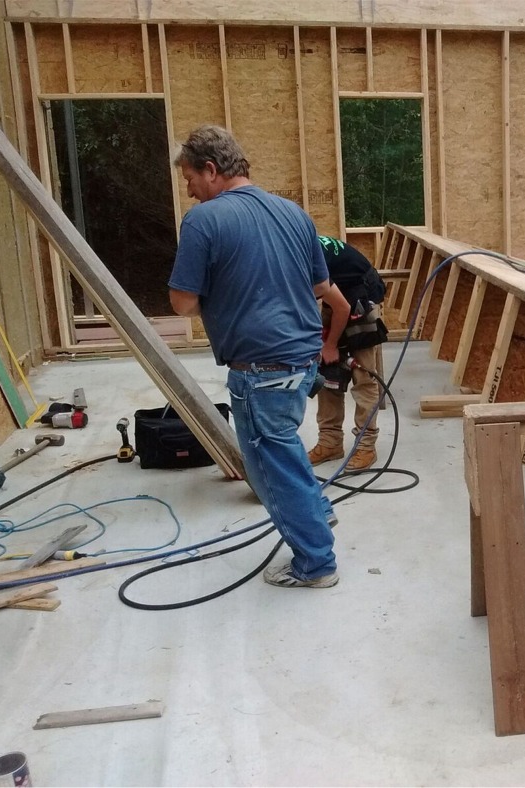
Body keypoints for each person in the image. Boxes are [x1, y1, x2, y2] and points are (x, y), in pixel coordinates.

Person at [168, 124, 351, 590]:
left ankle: (316, 565)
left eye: (189, 178)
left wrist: (222, 285)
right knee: (287, 451)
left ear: (211, 170)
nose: (189, 191)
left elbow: (182, 303)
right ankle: (318, 513)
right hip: (301, 359)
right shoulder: (294, 213)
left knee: (271, 470)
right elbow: (317, 287)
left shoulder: (205, 221)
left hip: (261, 370)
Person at [306, 236, 388, 472]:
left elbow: (342, 307)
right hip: (336, 297)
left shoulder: (302, 256)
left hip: (360, 294)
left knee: (363, 378)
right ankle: (330, 443)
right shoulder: (288, 249)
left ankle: (366, 446)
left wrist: (330, 345)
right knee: (328, 376)